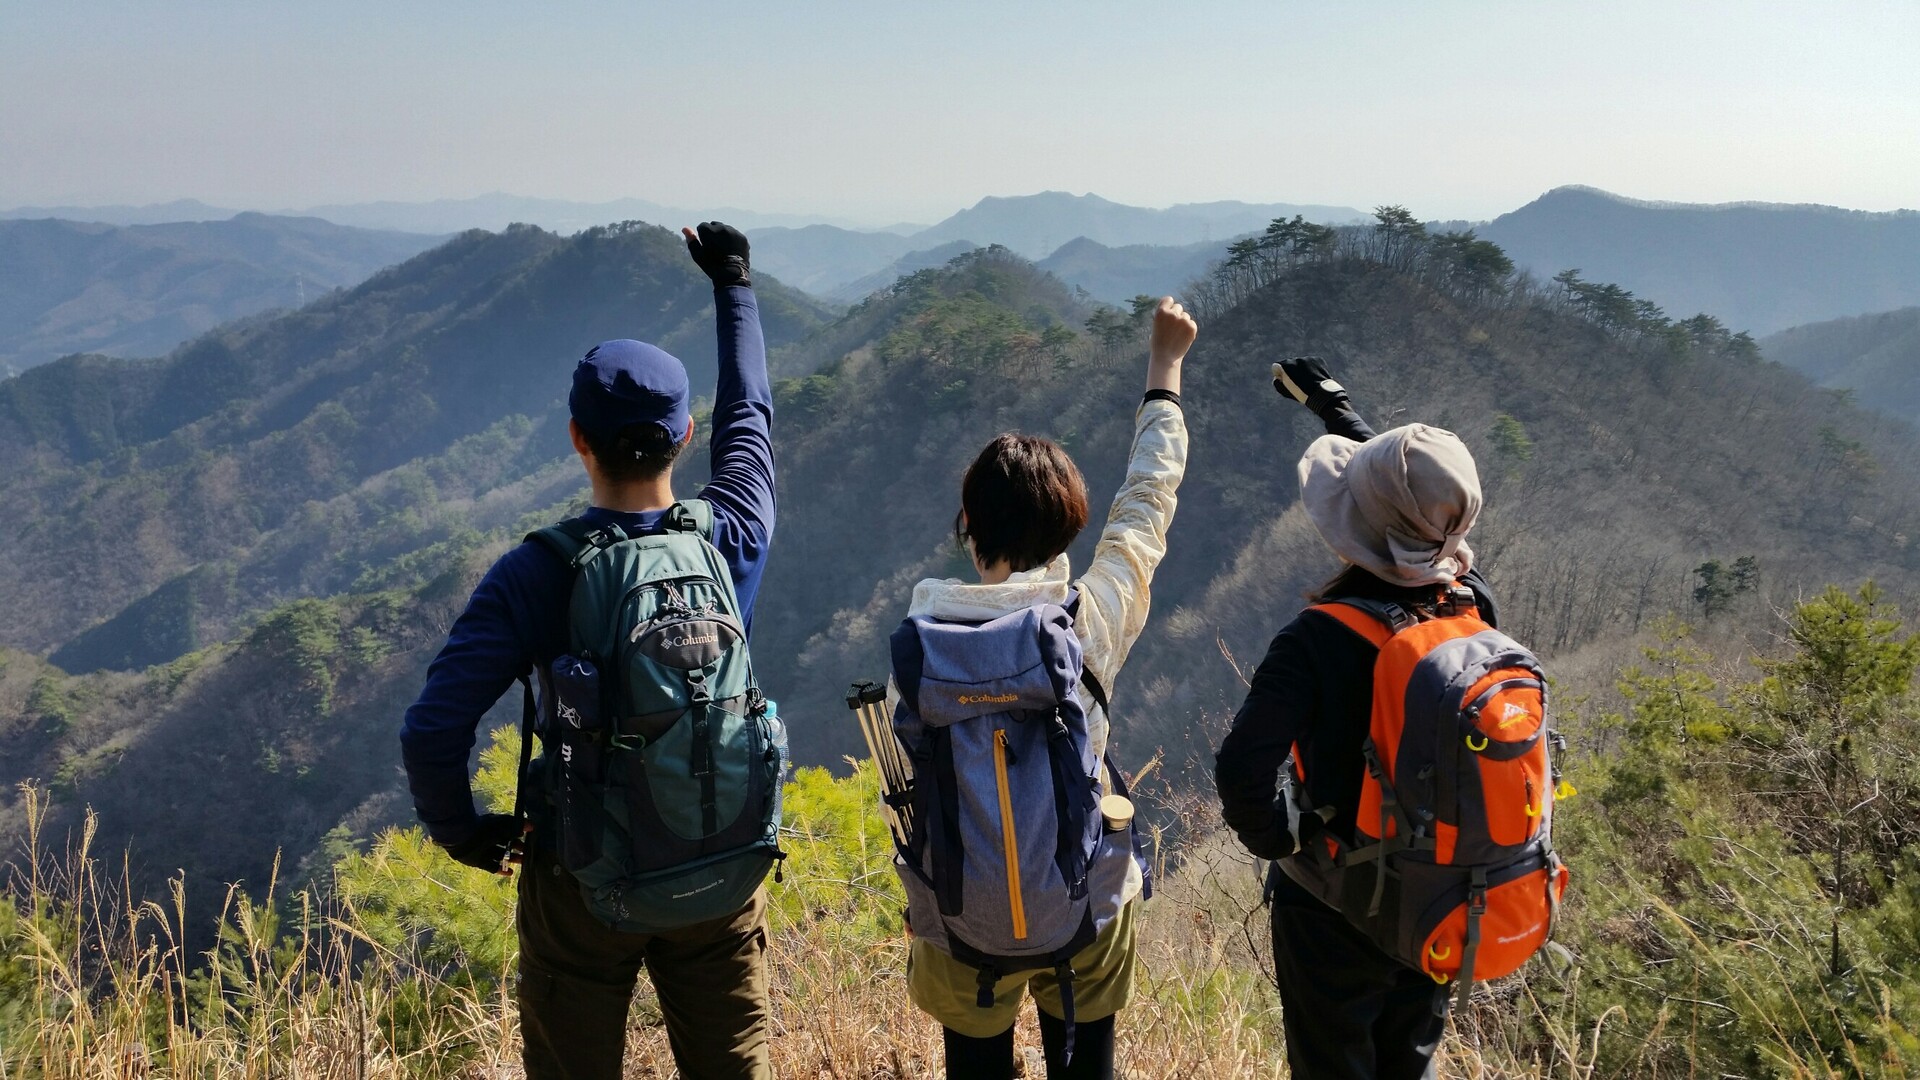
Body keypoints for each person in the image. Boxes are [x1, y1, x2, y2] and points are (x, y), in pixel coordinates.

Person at [398, 222, 776, 1080]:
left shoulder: (536, 573)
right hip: (718, 864)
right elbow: (750, 415)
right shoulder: (733, 538)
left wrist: (477, 838)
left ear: (577, 438)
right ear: (686, 436)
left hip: (581, 877)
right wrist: (735, 283)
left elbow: (431, 731)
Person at [887, 297, 1197, 1080]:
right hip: (1084, 907)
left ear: (967, 522)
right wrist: (1166, 370)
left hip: (961, 922)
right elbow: (1148, 501)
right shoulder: (1091, 620)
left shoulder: (923, 641)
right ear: (1069, 526)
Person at [1214, 356, 1498, 1080]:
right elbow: (1417, 501)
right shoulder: (1472, 608)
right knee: (1412, 1061)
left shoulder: (1320, 637)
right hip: (1441, 888)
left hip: (1334, 902)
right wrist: (1336, 409)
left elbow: (1244, 767)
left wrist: (1284, 838)